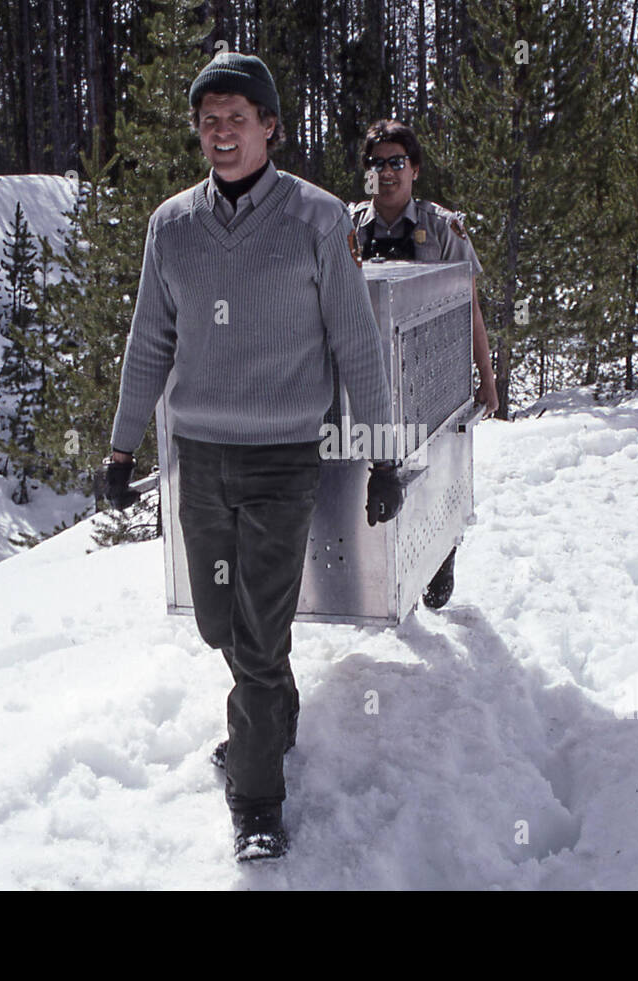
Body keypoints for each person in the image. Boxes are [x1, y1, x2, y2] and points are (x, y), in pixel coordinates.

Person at [105, 52, 403, 861]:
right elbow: (147, 345)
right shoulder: (171, 227)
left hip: (282, 459)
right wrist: (121, 445)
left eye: (238, 118)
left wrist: (384, 455)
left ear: (270, 127)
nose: (222, 133)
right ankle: (269, 711)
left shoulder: (314, 222)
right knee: (220, 623)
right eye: (209, 121)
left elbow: (359, 346)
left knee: (260, 634)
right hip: (198, 460)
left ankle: (258, 794)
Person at [348, 118, 498, 610]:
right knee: (381, 470)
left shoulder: (441, 227)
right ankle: (391, 574)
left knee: (436, 474)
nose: (386, 173)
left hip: (436, 378)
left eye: (396, 162)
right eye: (376, 163)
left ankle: (442, 552)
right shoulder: (347, 227)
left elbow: (470, 304)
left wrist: (487, 377)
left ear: (413, 168)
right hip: (373, 378)